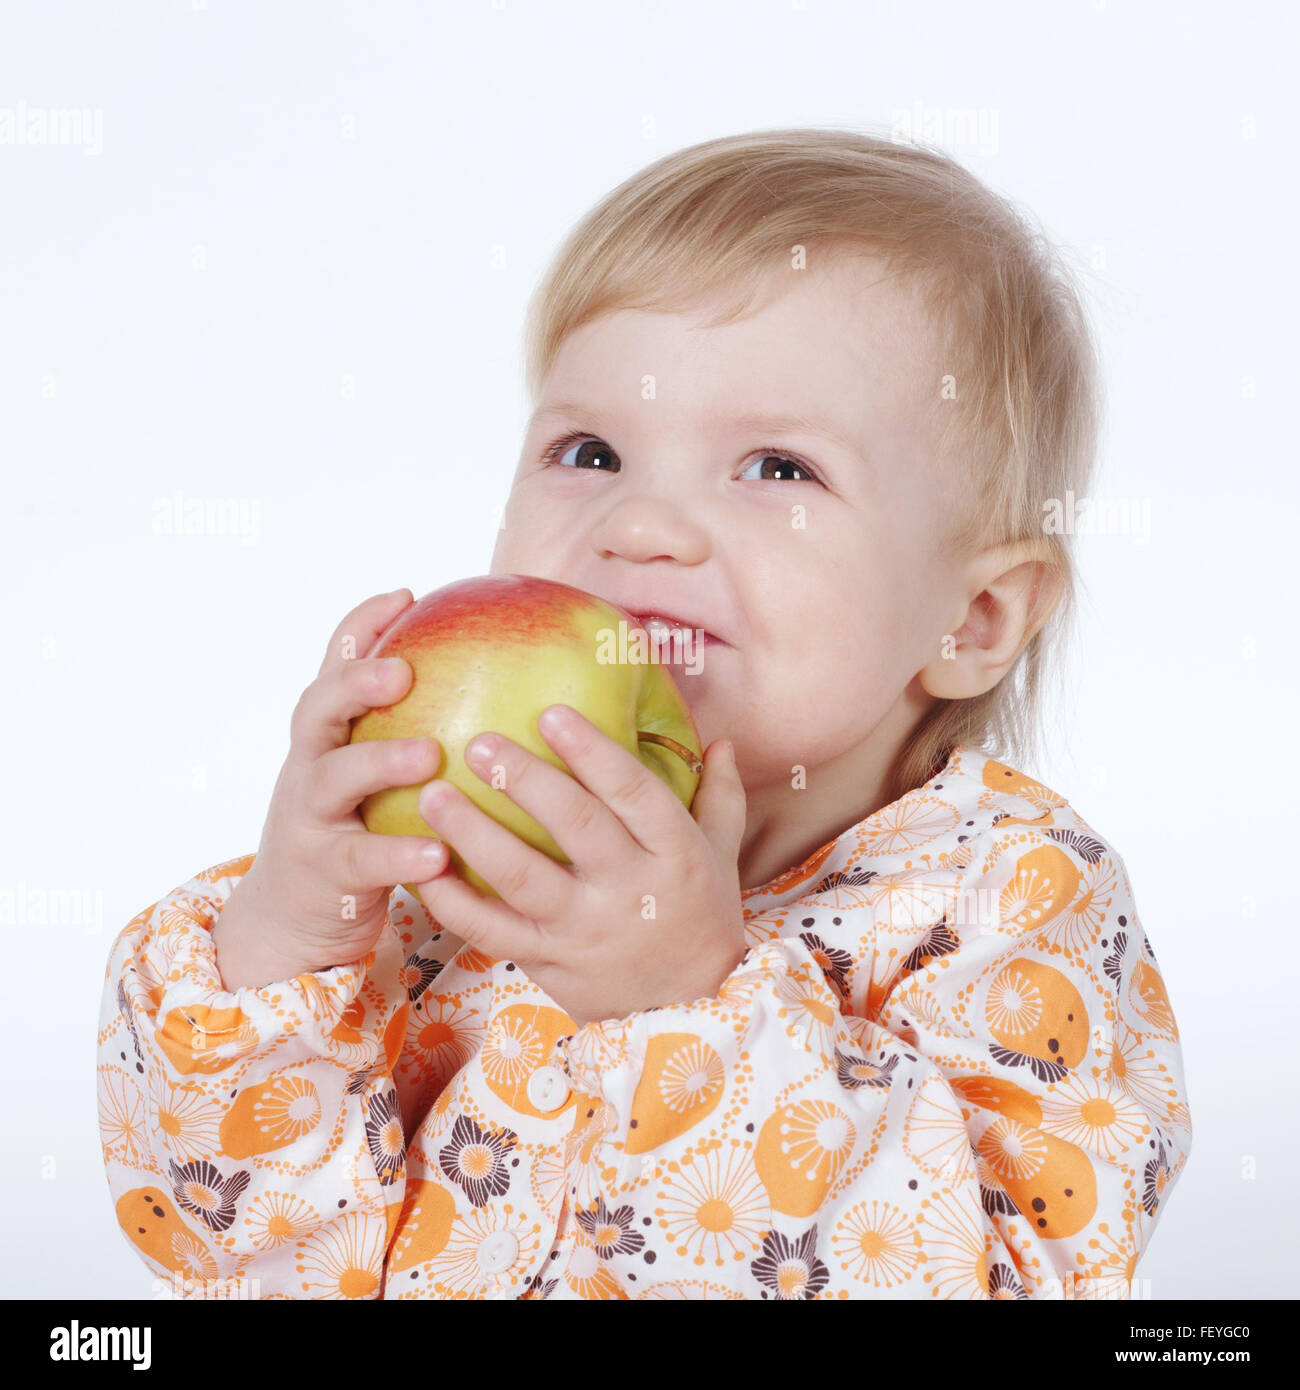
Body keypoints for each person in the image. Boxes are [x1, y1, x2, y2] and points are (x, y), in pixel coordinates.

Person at [97, 127, 1190, 1299]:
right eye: (591, 450)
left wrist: (685, 1004)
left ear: (971, 618)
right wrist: (286, 944)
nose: (640, 525)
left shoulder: (1009, 899)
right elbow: (239, 1257)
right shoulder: (455, 862)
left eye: (777, 468)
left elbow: (1013, 1279)